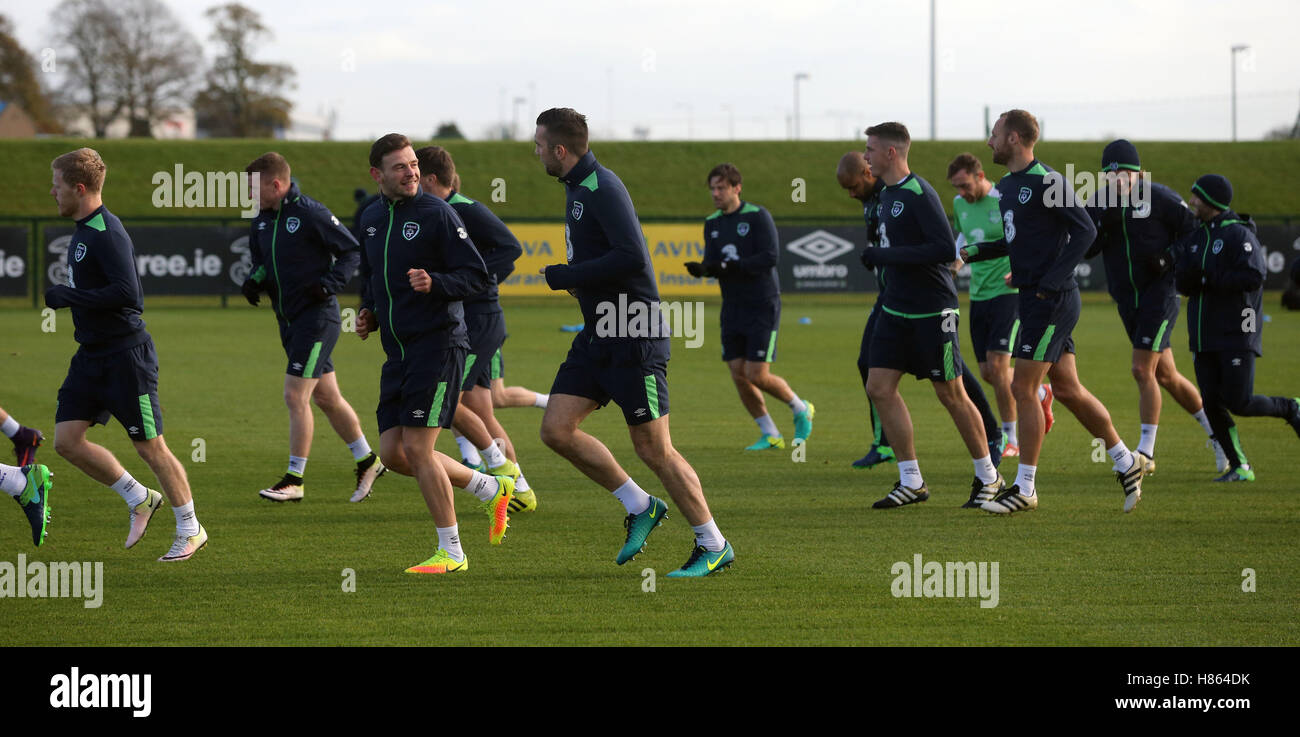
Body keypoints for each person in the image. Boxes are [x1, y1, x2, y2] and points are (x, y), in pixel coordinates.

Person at [533, 107, 733, 577]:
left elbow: (630, 256)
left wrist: (567, 276)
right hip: (599, 332)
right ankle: (640, 505)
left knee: (655, 449)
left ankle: (713, 543)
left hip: (633, 331)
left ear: (560, 149)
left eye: (539, 144)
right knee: (556, 430)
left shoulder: (602, 187)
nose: (536, 151)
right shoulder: (577, 187)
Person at [964, 110, 1144, 513]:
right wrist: (973, 252)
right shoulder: (1008, 187)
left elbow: (1086, 230)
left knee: (1023, 389)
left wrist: (1050, 279)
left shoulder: (1049, 181)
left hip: (1051, 301)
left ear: (1013, 138)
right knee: (1066, 390)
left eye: (994, 134)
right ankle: (1126, 461)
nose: (989, 142)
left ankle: (1025, 488)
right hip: (1036, 299)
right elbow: (1017, 241)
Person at [356, 134, 509, 574]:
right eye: (400, 166)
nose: (411, 172)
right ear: (377, 174)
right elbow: (373, 278)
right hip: (398, 351)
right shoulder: (370, 218)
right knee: (393, 454)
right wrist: (368, 313)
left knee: (420, 450)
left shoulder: (437, 213)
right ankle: (488, 487)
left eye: (413, 164)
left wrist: (436, 283)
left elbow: (477, 275)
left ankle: (453, 553)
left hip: (440, 343)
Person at [45, 148, 207, 560]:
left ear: (79, 189)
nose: (52, 192)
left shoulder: (107, 231)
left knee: (150, 446)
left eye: (58, 185)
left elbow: (129, 295)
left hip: (125, 359)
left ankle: (191, 528)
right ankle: (138, 497)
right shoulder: (83, 230)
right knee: (66, 441)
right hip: (91, 357)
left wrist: (69, 295)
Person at [858, 122, 1003, 510]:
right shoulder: (885, 195)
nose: (865, 155)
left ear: (891, 153)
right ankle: (912, 481)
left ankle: (989, 476)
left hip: (932, 310)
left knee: (951, 393)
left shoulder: (919, 192)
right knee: (878, 386)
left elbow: (942, 248)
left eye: (870, 148)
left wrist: (884, 256)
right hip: (895, 307)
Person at [241, 152, 386, 504]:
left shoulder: (309, 213)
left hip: (317, 319)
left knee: (295, 395)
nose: (249, 197)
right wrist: (254, 280)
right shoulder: (262, 220)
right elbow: (263, 262)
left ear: (276, 184)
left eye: (253, 189)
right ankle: (368, 461)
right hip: (288, 320)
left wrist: (329, 283)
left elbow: (351, 251)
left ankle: (294, 479)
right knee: (327, 397)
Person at [1084, 140, 1226, 475]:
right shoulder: (1099, 203)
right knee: (1167, 375)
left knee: (1140, 369)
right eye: (1112, 173)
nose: (1120, 178)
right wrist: (1098, 237)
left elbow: (1195, 233)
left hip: (1160, 296)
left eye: (1126, 172)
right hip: (1126, 298)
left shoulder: (1161, 198)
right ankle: (1218, 434)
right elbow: (1084, 245)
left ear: (1138, 173)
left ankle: (1144, 453)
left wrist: (1170, 258)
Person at [414, 145, 537, 512]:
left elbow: (510, 247)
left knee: (447, 400)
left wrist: (474, 279)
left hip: (478, 322)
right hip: (468, 321)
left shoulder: (465, 208)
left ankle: (500, 478)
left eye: (419, 178)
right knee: (481, 413)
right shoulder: (437, 211)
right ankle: (521, 488)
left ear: (432, 179)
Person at [1173, 174, 1300, 481]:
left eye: (1197, 198)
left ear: (1212, 201)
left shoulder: (1238, 234)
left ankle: (1291, 407)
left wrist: (1207, 279)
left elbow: (1253, 276)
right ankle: (1240, 466)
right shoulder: (1196, 236)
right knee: (1212, 403)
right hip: (1203, 334)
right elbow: (1185, 280)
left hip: (1238, 329)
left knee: (1239, 401)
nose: (1191, 202)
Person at [685, 162, 814, 450]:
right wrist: (704, 270)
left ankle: (800, 407)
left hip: (761, 304)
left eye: (721, 188)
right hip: (732, 306)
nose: (716, 194)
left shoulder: (757, 216)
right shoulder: (712, 223)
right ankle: (770, 433)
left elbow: (769, 258)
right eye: (712, 189)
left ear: (736, 188)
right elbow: (714, 262)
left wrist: (727, 266)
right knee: (738, 375)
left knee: (758, 374)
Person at [948, 154, 1056, 458]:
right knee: (988, 372)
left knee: (997, 367)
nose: (962, 193)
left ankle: (1010, 438)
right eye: (957, 188)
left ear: (981, 175)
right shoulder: (959, 205)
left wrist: (1020, 270)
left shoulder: (1004, 198)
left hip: (1008, 293)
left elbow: (1022, 237)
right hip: (978, 293)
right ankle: (1039, 391)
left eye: (965, 185)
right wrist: (957, 262)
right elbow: (962, 237)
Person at [837, 152, 895, 469]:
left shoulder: (895, 194)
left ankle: (993, 433)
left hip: (916, 298)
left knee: (949, 380)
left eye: (853, 186)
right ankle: (884, 443)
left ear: (867, 172)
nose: (851, 194)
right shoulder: (870, 200)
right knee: (867, 363)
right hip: (887, 295)